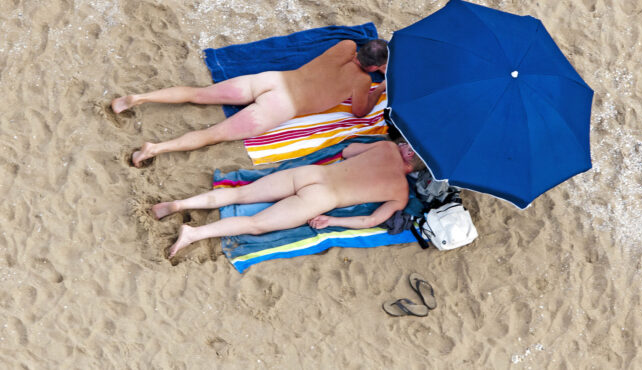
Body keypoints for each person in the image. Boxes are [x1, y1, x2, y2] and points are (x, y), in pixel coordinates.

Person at [112, 39, 389, 167]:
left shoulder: (344, 45)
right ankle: (154, 149)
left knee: (198, 93)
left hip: (273, 81)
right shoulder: (363, 82)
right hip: (281, 107)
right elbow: (359, 112)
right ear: (376, 66)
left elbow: (360, 52)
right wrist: (381, 86)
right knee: (214, 135)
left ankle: (138, 98)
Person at [153, 140, 422, 259]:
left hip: (313, 174)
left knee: (240, 193)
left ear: (410, 156)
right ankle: (194, 233)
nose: (403, 144)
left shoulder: (385, 147)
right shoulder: (400, 193)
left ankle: (182, 204)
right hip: (322, 199)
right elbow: (370, 220)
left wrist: (385, 148)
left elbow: (349, 150)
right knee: (255, 224)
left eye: (407, 146)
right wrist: (331, 220)